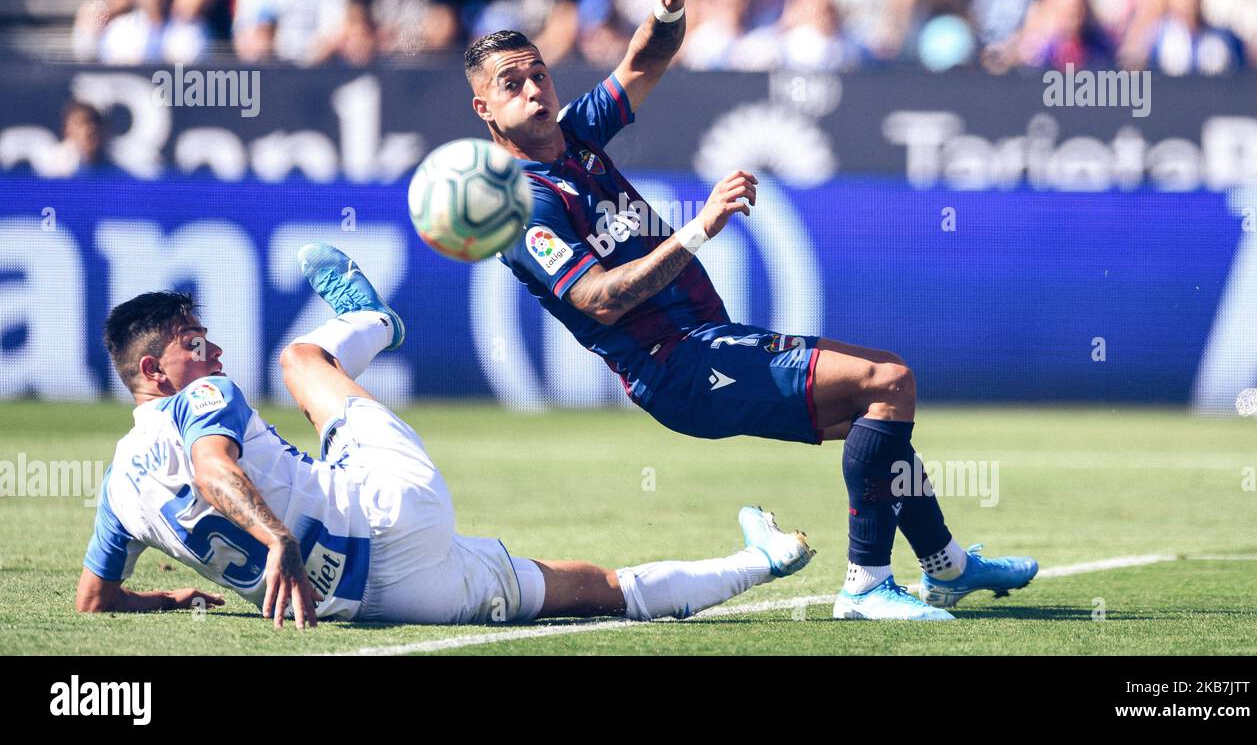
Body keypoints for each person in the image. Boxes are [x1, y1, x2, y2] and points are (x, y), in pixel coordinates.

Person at [468, 0, 1039, 620]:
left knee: (875, 414)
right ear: (484, 107)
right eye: (513, 82)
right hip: (676, 366)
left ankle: (946, 567)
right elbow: (599, 297)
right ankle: (865, 584)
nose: (534, 87)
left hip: (706, 342)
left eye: (538, 72)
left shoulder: (575, 138)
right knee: (889, 380)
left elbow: (643, 63)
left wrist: (670, 8)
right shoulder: (522, 206)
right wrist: (698, 229)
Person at [75, 244, 813, 628]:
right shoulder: (201, 397)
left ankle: (762, 558)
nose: (212, 354)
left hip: (382, 600)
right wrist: (277, 540)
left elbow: (93, 600)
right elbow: (211, 468)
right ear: (154, 369)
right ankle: (376, 320)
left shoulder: (118, 491)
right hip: (389, 502)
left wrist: (164, 601)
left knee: (595, 592)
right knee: (301, 359)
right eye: (194, 342)